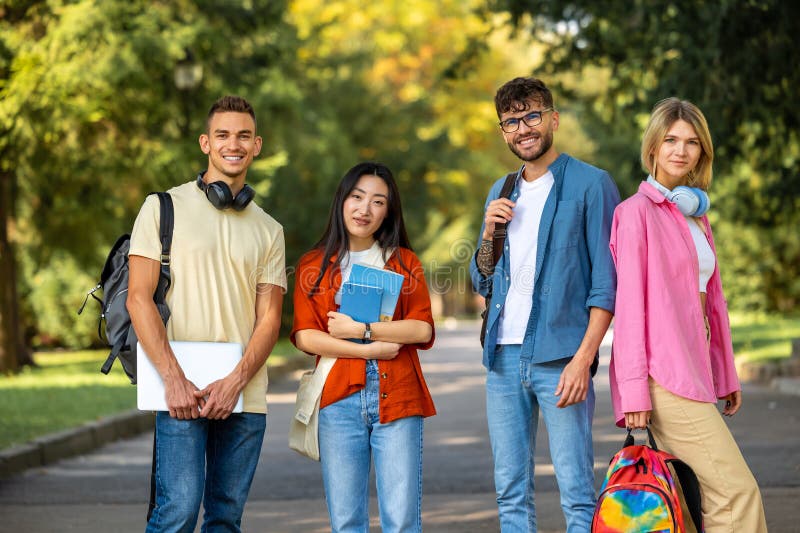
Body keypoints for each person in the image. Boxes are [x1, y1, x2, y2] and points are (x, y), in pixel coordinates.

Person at [127, 95, 286, 532]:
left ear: (256, 146)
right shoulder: (162, 207)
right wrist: (172, 380)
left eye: (243, 136)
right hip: (181, 390)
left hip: (244, 395)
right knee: (176, 513)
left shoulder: (270, 230)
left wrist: (235, 381)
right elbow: (138, 299)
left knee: (225, 520)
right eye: (222, 135)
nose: (232, 144)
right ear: (205, 143)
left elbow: (269, 318)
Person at [609, 97, 767, 532]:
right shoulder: (634, 213)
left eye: (692, 142)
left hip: (695, 373)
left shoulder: (695, 217)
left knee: (710, 496)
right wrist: (634, 392)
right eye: (671, 140)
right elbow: (630, 309)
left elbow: (711, 303)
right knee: (735, 490)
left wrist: (725, 375)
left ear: (703, 151)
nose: (680, 150)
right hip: (665, 377)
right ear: (654, 147)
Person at [470, 77, 620, 532]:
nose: (523, 128)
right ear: (503, 132)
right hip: (502, 359)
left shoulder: (592, 184)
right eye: (512, 121)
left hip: (560, 357)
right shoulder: (502, 187)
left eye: (532, 116)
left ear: (553, 119)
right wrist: (488, 235)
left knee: (576, 492)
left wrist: (583, 359)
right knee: (510, 491)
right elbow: (481, 279)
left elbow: (606, 285)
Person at [291, 161, 435, 533]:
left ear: (388, 211)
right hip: (339, 398)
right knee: (346, 521)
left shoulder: (404, 262)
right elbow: (307, 337)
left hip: (398, 396)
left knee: (402, 521)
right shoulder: (314, 265)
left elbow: (421, 329)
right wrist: (369, 350)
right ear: (342, 201)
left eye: (378, 201)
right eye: (357, 197)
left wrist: (363, 329)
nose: (364, 209)